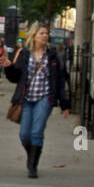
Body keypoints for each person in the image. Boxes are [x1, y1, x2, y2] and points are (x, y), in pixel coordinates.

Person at [4, 21, 71, 178]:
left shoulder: (53, 55)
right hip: (26, 99)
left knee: (36, 132)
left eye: (46, 33)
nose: (45, 36)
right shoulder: (25, 54)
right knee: (24, 134)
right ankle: (32, 155)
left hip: (44, 98)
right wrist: (8, 67)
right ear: (34, 36)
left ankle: (32, 166)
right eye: (41, 33)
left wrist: (65, 104)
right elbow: (15, 78)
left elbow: (60, 81)